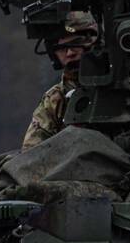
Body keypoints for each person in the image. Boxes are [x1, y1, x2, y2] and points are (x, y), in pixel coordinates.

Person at [21, 11, 99, 149]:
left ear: (92, 42)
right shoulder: (55, 100)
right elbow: (31, 154)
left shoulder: (128, 83)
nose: (70, 53)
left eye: (76, 44)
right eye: (62, 48)